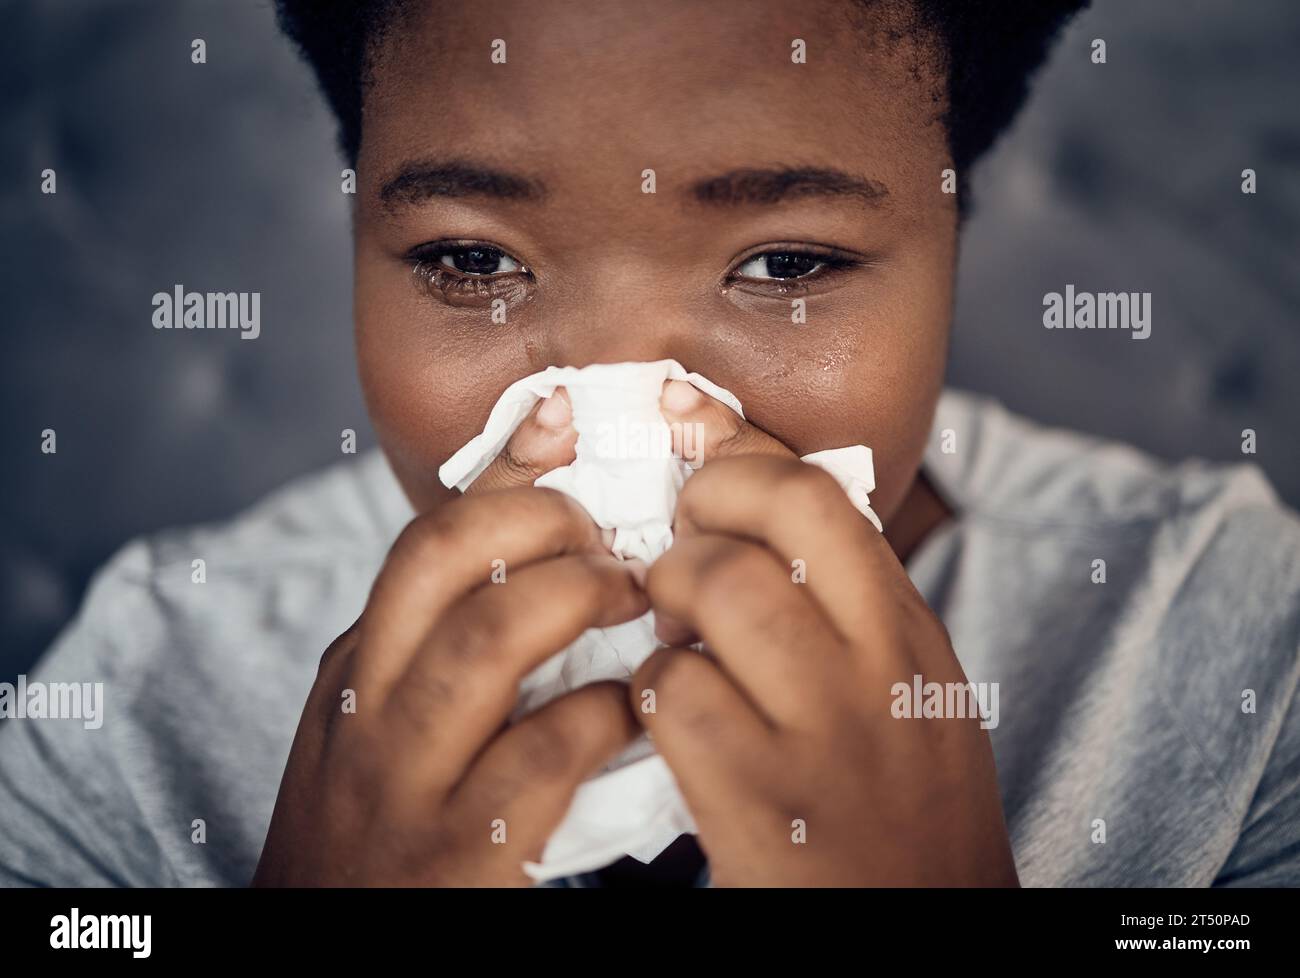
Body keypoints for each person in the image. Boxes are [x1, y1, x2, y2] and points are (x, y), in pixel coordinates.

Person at [2, 0, 1297, 888]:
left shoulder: (1232, 643)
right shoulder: (141, 691)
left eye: (786, 261)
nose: (617, 399)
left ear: (956, 242)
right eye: (470, 259)